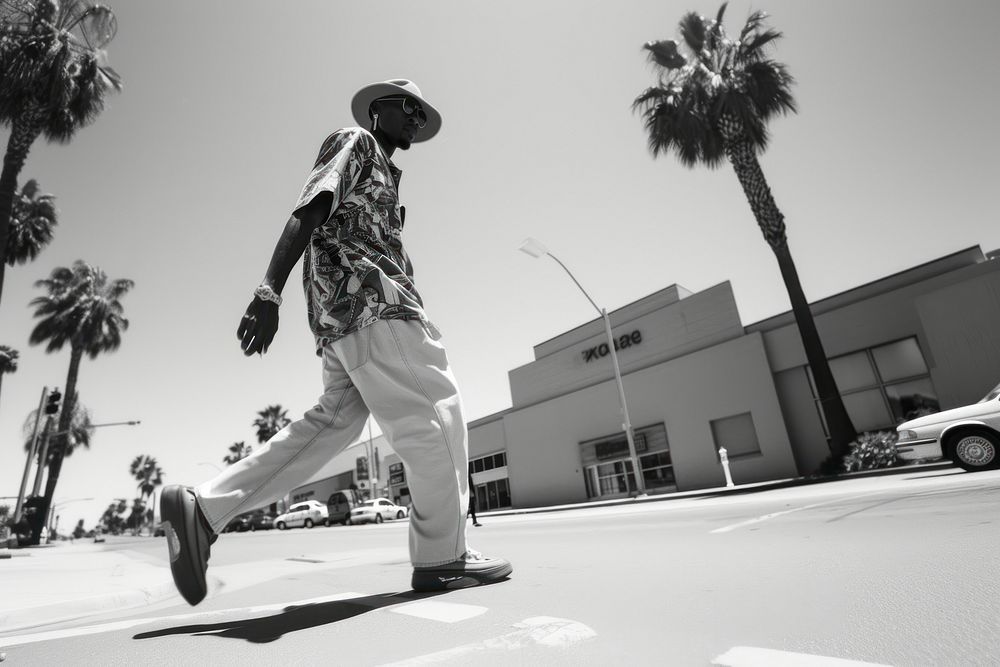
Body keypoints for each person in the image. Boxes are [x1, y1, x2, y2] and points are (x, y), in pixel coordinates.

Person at [160, 79, 512, 606]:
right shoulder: (357, 142)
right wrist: (268, 290)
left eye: (422, 114)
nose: (416, 118)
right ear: (379, 110)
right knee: (439, 416)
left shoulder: (388, 180)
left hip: (347, 320)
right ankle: (443, 556)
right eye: (408, 108)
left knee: (328, 428)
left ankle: (203, 509)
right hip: (373, 307)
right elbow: (312, 205)